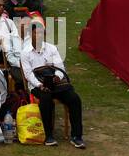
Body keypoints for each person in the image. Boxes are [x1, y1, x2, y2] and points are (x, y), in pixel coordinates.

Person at [23, 20, 84, 148]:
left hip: (55, 84)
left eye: (41, 33)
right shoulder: (25, 52)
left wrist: (57, 76)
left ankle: (76, 136)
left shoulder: (51, 48)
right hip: (37, 84)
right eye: (36, 33)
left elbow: (60, 67)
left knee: (74, 99)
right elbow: (28, 75)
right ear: (31, 35)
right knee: (46, 99)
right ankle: (48, 135)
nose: (39, 36)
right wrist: (39, 85)